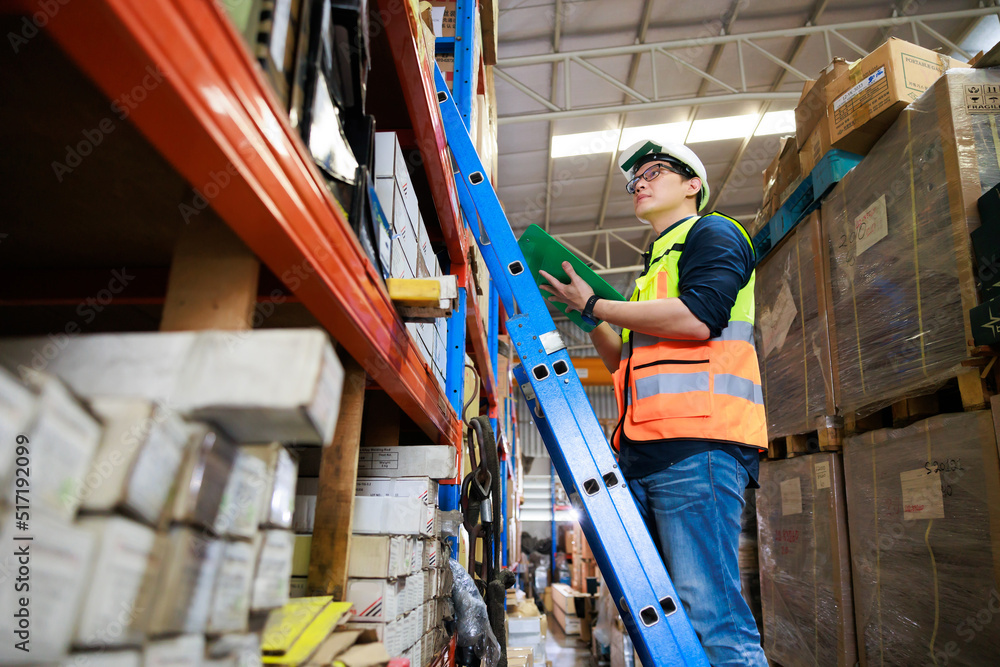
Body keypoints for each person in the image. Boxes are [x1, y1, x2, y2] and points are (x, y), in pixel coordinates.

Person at [538, 139, 768, 666]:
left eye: (655, 171)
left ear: (694, 186)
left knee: (714, 620)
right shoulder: (648, 277)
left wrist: (600, 302)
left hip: (699, 447)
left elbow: (698, 319)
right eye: (634, 178)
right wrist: (589, 313)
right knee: (670, 623)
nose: (639, 182)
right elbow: (623, 361)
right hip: (647, 452)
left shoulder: (714, 233)